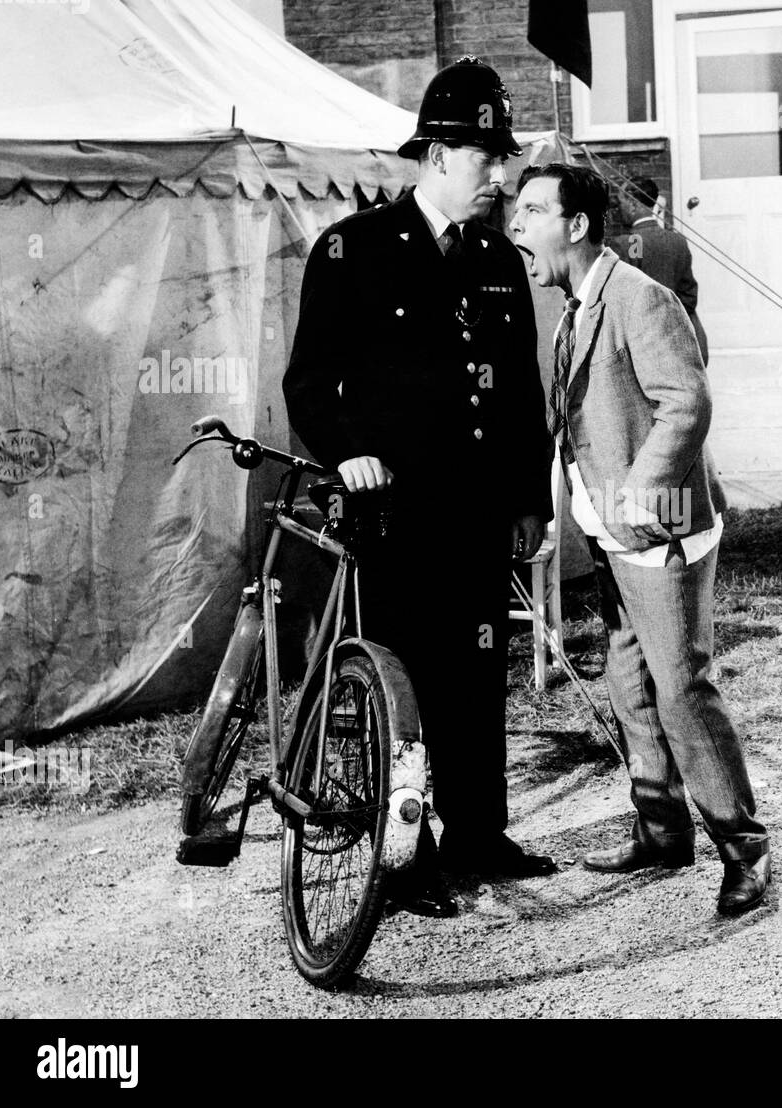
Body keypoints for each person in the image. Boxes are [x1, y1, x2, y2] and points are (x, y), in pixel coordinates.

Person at [282, 57, 557, 917]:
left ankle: (478, 831)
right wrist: (348, 454)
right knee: (404, 686)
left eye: (502, 157)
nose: (501, 175)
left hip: (474, 515)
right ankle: (405, 859)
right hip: (392, 514)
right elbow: (307, 383)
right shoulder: (355, 249)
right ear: (438, 154)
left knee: (476, 679)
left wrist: (529, 501)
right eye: (486, 157)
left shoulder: (497, 262)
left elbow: (519, 394)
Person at [509, 162, 771, 916]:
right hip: (614, 535)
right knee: (629, 686)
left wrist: (636, 494)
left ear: (578, 224)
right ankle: (662, 830)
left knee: (680, 688)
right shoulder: (575, 306)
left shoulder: (640, 298)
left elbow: (685, 404)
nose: (518, 227)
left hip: (660, 529)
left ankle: (743, 847)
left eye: (533, 212)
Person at [610, 176, 710, 365]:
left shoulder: (633, 241)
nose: (618, 209)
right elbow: (689, 296)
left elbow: (623, 297)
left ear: (632, 203)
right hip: (681, 343)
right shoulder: (677, 241)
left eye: (621, 202)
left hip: (644, 347)